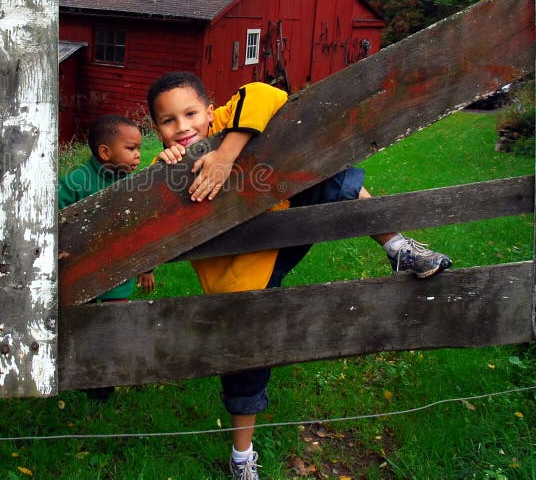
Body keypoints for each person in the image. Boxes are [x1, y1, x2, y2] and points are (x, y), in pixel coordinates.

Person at [147, 72, 451, 479]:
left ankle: (396, 246)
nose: (183, 127)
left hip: (282, 231)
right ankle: (241, 457)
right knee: (246, 359)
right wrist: (167, 165)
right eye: (168, 121)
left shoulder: (226, 122)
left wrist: (225, 155)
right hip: (240, 275)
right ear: (157, 130)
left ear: (209, 110)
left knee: (323, 169)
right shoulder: (164, 166)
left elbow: (263, 93)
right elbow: (148, 217)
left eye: (190, 114)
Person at [59, 114, 156, 400]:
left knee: (114, 324)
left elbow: (140, 229)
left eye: (139, 148)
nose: (138, 155)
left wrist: (146, 266)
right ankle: (81, 376)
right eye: (131, 148)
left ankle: (106, 381)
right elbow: (55, 217)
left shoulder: (131, 184)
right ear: (105, 152)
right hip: (80, 272)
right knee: (83, 324)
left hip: (118, 273)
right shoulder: (77, 182)